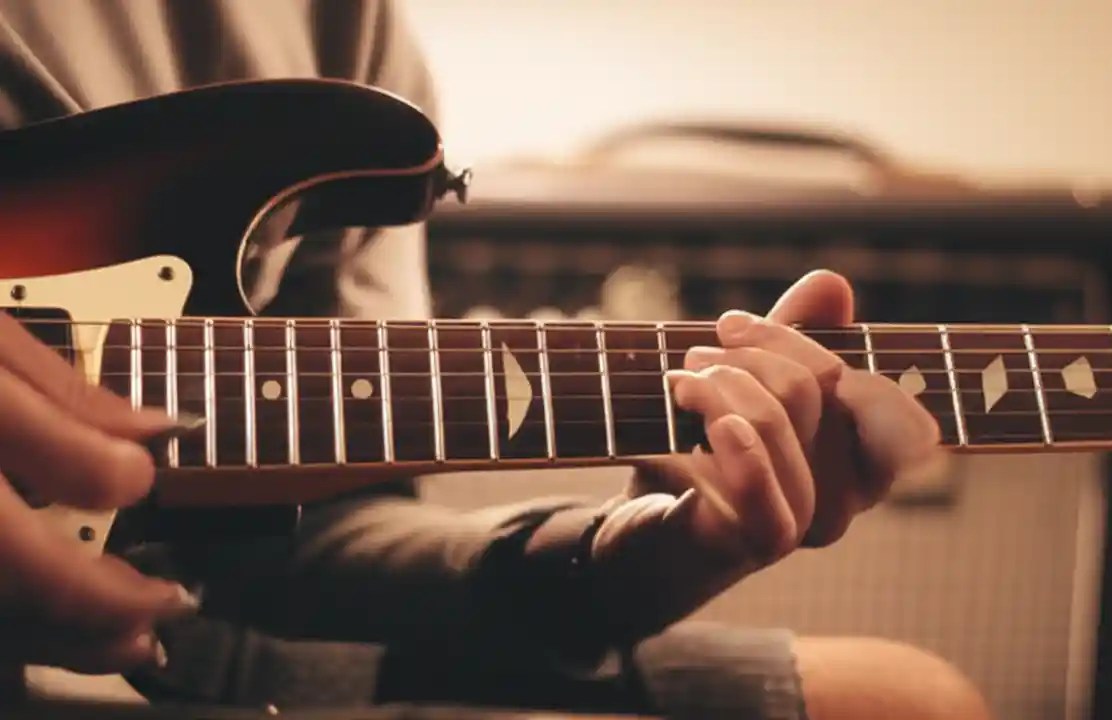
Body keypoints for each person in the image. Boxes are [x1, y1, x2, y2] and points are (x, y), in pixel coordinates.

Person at [0, 2, 990, 719]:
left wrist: (628, 558)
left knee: (906, 703)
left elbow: (309, 549)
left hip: (166, 647)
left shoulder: (339, 31)